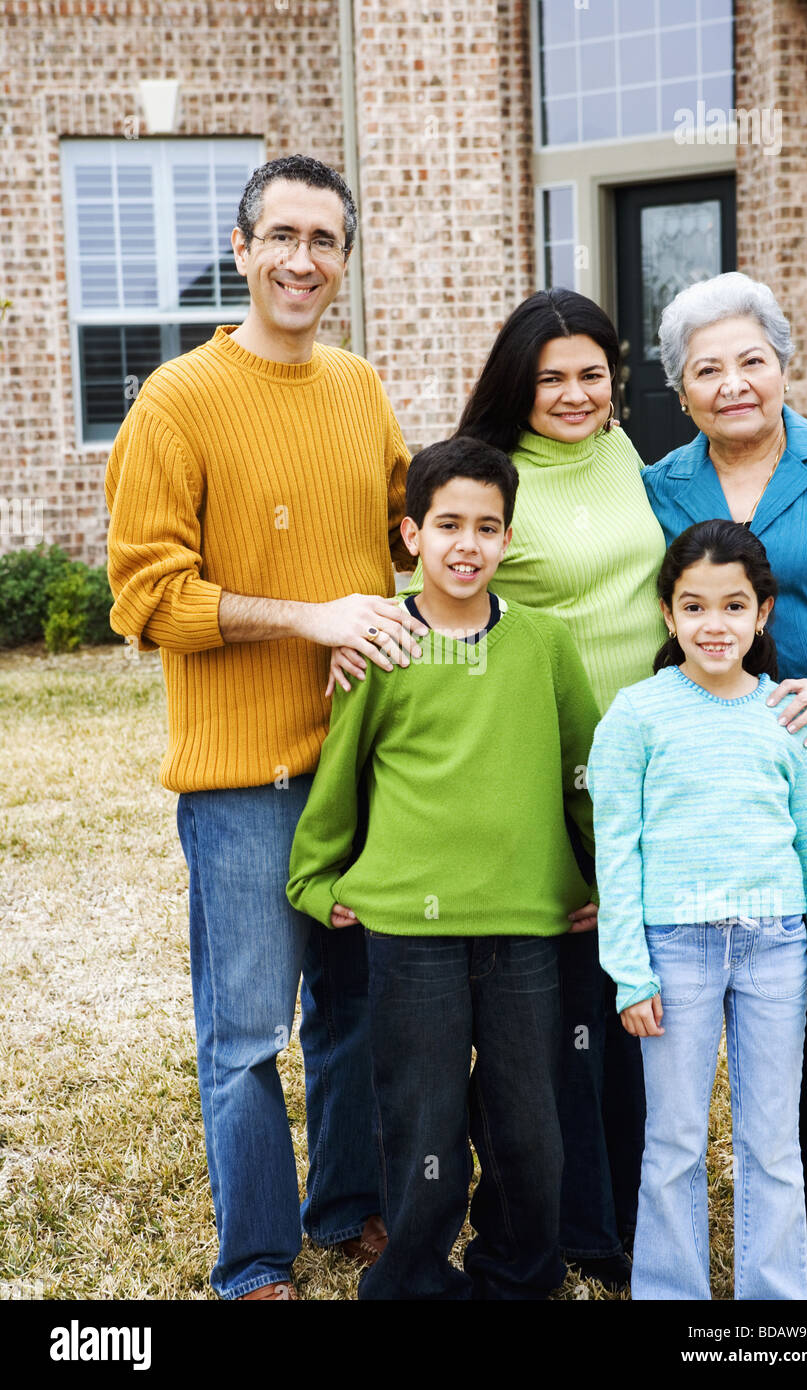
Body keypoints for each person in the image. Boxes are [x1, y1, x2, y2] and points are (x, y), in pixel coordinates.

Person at [104, 155, 428, 1300]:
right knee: (247, 1032)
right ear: (239, 250)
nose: (302, 259)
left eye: (324, 240)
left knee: (353, 1007)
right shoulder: (176, 402)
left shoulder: (360, 386)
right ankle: (253, 1262)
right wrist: (310, 616)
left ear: (344, 259)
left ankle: (348, 1206)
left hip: (363, 762)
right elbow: (147, 599)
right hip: (242, 779)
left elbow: (407, 534)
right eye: (280, 236)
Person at [331, 290, 666, 1287]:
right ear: (514, 382)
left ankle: (597, 1220)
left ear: (615, 380)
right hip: (524, 777)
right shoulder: (483, 476)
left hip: (636, 767)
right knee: (536, 1037)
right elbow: (428, 592)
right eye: (550, 375)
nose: (573, 393)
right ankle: (542, 1224)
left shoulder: (622, 455)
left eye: (591, 373)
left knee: (607, 1011)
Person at [288, 437, 600, 1299]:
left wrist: (603, 880)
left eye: (489, 526)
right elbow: (341, 772)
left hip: (527, 924)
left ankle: (518, 1275)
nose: (469, 543)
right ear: (412, 532)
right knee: (423, 1118)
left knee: (527, 1121)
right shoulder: (381, 645)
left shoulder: (544, 644)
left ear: (508, 539)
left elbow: (587, 776)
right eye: (449, 524)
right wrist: (316, 879)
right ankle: (416, 1280)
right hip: (409, 931)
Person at [644, 271, 807, 1252]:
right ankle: (800, 1197)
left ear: (783, 364)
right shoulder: (656, 489)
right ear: (679, 387)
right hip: (728, 791)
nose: (732, 382)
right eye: (706, 369)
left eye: (750, 360)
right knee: (786, 992)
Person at [588, 519, 807, 1300]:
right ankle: (671, 1291)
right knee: (672, 1138)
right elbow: (618, 850)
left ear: (762, 613)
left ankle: (774, 1301)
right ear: (668, 615)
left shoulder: (790, 717)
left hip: (777, 950)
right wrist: (630, 973)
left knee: (772, 1142)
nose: (715, 625)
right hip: (675, 952)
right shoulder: (636, 716)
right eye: (694, 607)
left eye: (733, 607)